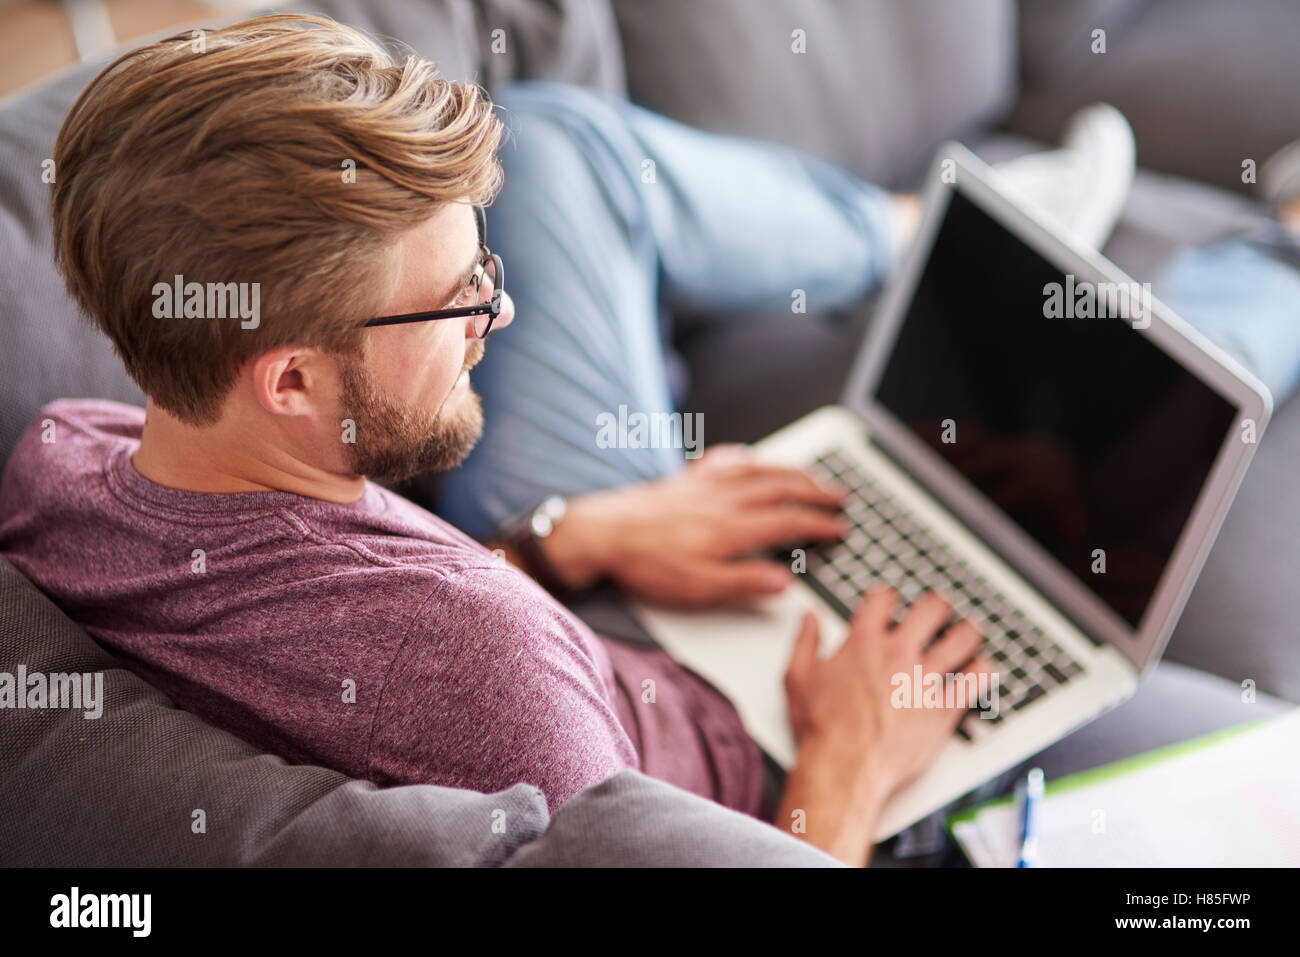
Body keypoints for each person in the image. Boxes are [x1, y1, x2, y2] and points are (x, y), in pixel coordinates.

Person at [2, 14, 1294, 867]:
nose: (500, 308)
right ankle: (1280, 253)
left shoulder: (71, 457)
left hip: (594, 614)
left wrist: (569, 539)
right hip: (787, 768)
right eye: (457, 295)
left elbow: (354, 627)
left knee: (567, 147)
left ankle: (905, 227)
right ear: (288, 378)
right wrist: (850, 758)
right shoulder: (493, 688)